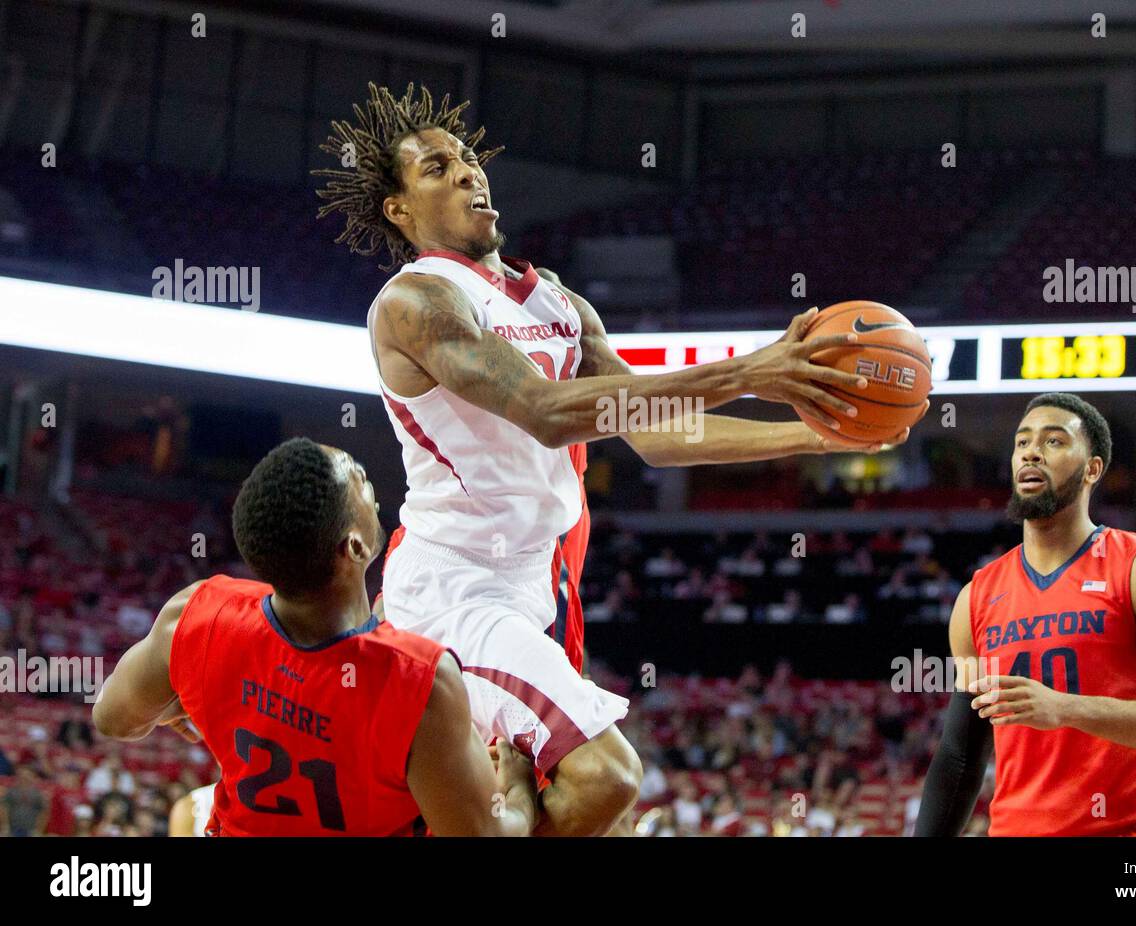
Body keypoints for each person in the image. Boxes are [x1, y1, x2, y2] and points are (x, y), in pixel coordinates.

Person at [314, 82, 921, 835]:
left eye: (469, 158)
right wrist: (747, 370)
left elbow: (653, 431)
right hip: (454, 591)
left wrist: (817, 436)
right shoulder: (417, 303)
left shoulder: (558, 303)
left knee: (558, 815)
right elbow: (541, 412)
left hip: (539, 591)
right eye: (437, 168)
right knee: (608, 780)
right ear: (399, 212)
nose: (469, 171)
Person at [93, 438, 536, 836]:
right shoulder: (420, 679)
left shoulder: (198, 616)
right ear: (355, 547)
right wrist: (518, 789)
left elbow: (112, 718)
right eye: (358, 479)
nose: (368, 480)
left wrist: (185, 697)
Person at [915, 393, 1136, 836]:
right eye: (1023, 442)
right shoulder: (977, 597)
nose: (1031, 451)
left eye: (1054, 441)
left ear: (1093, 469)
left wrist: (1066, 708)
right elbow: (960, 756)